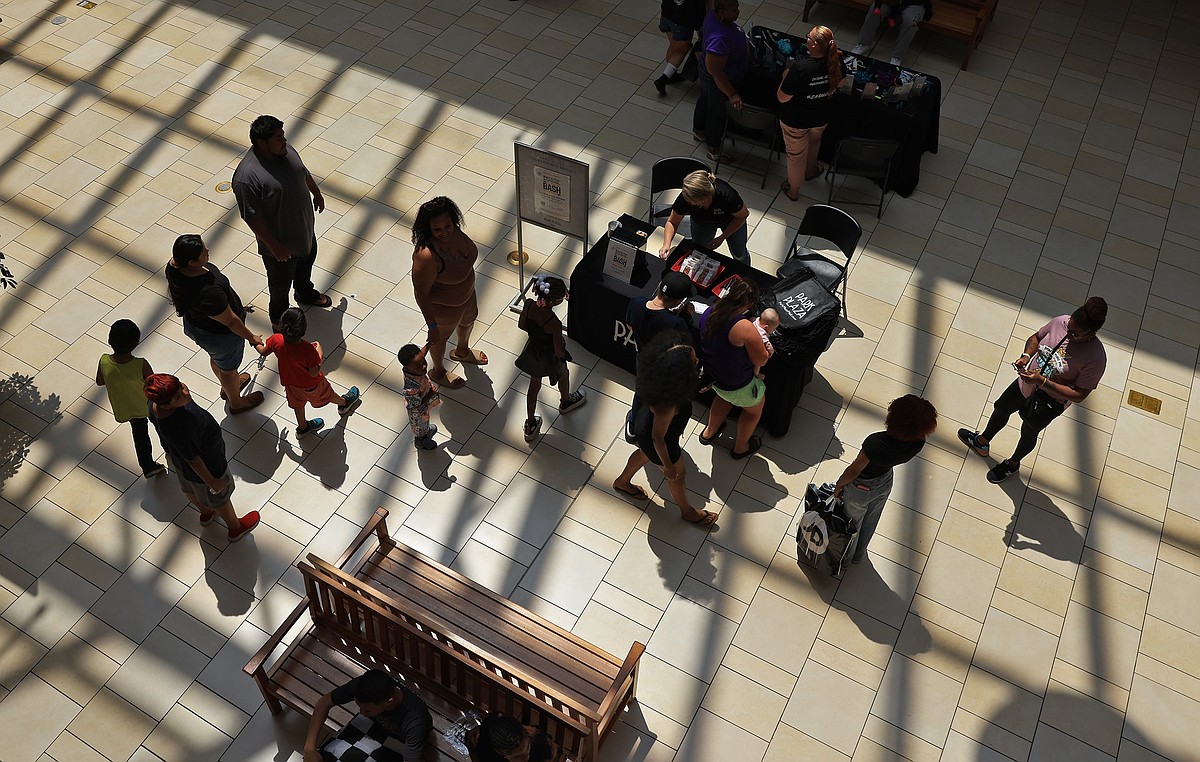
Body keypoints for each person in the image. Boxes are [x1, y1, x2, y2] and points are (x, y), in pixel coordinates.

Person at [959, 297, 1108, 484]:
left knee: (1028, 432)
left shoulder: (1095, 359)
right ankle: (982, 442)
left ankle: (1012, 464)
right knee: (1001, 408)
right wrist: (1026, 355)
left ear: (1091, 333)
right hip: (1026, 383)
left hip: (1049, 402)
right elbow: (1036, 338)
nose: (1068, 335)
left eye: (1075, 334)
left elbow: (1079, 394)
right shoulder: (1060, 321)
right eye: (1068, 328)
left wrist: (1043, 381)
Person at [232, 114, 331, 330]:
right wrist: (274, 246)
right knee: (280, 285)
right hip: (281, 247)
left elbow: (302, 172)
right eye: (278, 138)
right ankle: (279, 316)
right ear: (261, 143)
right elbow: (250, 216)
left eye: (283, 136)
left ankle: (304, 293)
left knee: (306, 263)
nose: (284, 141)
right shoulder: (247, 177)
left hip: (304, 231)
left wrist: (316, 192)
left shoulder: (286, 150)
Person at [613, 331, 718, 527]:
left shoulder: (661, 377)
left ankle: (622, 481)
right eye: (694, 362)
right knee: (678, 475)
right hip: (659, 437)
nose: (698, 363)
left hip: (648, 426)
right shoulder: (667, 403)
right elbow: (658, 439)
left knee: (645, 453)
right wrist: (668, 466)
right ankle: (687, 511)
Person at [144, 374, 259, 540]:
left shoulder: (154, 406)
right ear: (167, 405)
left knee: (189, 488)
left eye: (181, 386)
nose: (185, 392)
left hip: (180, 462)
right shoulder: (183, 423)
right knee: (220, 497)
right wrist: (212, 481)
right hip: (209, 464)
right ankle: (235, 527)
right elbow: (193, 459)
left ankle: (206, 512)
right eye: (178, 396)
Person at [165, 234, 264, 414]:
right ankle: (236, 402)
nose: (207, 251)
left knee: (219, 360)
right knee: (228, 367)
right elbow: (231, 321)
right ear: (191, 262)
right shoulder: (208, 293)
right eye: (203, 251)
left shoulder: (175, 267)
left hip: (200, 328)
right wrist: (252, 337)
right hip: (220, 336)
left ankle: (229, 386)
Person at [834, 394, 937, 564]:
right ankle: (858, 555)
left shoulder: (876, 443)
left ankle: (844, 558)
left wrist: (839, 484)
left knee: (851, 523)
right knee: (870, 521)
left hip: (861, 487)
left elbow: (855, 470)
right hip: (885, 482)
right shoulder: (918, 442)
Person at [411, 196, 487, 391]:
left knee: (469, 321)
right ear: (428, 229)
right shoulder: (426, 256)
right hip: (443, 310)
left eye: (447, 226)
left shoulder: (456, 232)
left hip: (467, 296)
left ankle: (462, 350)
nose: (444, 232)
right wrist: (432, 325)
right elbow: (421, 294)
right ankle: (438, 371)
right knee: (440, 339)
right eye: (437, 229)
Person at [252, 307, 360, 437]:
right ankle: (344, 403)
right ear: (302, 330)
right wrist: (319, 352)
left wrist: (254, 341)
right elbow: (314, 372)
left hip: (290, 385)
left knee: (298, 405)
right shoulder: (308, 350)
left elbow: (263, 351)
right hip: (311, 386)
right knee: (327, 394)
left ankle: (303, 427)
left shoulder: (276, 340)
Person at [697, 278, 769, 459]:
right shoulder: (743, 327)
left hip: (715, 378)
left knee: (723, 397)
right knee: (753, 411)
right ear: (750, 304)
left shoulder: (710, 312)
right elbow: (762, 358)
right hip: (738, 382)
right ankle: (741, 447)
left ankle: (709, 431)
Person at [304, 669, 436, 762]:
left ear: (388, 702)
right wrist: (309, 749)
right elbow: (324, 703)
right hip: (373, 729)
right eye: (359, 707)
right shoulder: (365, 685)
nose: (361, 713)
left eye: (368, 711)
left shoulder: (414, 721)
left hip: (401, 742)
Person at [516, 276, 586, 443]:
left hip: (533, 352)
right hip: (549, 357)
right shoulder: (553, 322)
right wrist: (561, 355)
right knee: (564, 374)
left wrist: (536, 336)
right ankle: (565, 402)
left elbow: (522, 325)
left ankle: (530, 424)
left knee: (534, 386)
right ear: (555, 301)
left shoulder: (528, 305)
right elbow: (557, 349)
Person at [777, 26, 844, 202]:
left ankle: (793, 190)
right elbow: (841, 83)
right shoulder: (837, 62)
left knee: (796, 155)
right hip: (821, 118)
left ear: (814, 45)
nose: (806, 38)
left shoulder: (801, 68)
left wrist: (786, 75)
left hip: (796, 121)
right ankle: (810, 170)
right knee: (814, 142)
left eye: (808, 37)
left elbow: (782, 98)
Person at [96, 319, 165, 478]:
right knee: (161, 424)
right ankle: (170, 448)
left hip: (126, 408)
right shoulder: (141, 364)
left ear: (109, 340)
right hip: (148, 404)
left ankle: (148, 466)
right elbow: (153, 383)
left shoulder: (104, 361)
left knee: (140, 435)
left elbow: (100, 381)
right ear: (136, 343)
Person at [692, 0, 750, 163]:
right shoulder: (720, 38)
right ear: (722, 12)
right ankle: (714, 150)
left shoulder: (711, 15)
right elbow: (716, 72)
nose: (738, 12)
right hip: (718, 79)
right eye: (734, 10)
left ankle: (699, 131)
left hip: (706, 70)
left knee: (705, 98)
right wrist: (732, 94)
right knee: (716, 112)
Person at [658, 170, 751, 264]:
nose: (686, 199)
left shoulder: (726, 194)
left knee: (740, 255)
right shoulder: (685, 198)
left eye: (690, 200)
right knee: (700, 252)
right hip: (701, 223)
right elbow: (672, 222)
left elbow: (743, 216)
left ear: (703, 199)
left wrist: (722, 237)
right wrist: (667, 243)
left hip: (731, 221)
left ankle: (746, 275)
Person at [850, 1, 932, 66]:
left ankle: (897, 56)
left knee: (910, 23)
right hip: (890, 1)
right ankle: (864, 44)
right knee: (874, 11)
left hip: (914, 3)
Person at [653, 0, 706, 96]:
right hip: (681, 22)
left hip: (666, 16)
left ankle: (670, 72)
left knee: (673, 46)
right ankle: (663, 80)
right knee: (680, 51)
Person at [467, 712, 565, 762]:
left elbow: (560, 757)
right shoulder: (482, 745)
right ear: (500, 753)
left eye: (527, 749)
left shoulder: (543, 745)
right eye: (517, 757)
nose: (525, 758)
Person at [398, 343, 442, 451]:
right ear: (407, 367)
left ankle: (426, 430)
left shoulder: (411, 368)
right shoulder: (411, 388)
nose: (424, 366)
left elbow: (422, 352)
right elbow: (415, 404)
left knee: (426, 421)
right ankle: (421, 441)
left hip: (424, 405)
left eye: (424, 361)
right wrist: (431, 394)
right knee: (420, 428)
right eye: (418, 365)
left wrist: (430, 342)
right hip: (418, 412)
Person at [751, 307, 778, 377]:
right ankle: (756, 374)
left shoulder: (754, 319)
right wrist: (771, 352)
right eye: (773, 329)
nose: (774, 331)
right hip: (754, 349)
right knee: (758, 363)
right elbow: (767, 345)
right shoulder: (762, 334)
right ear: (766, 327)